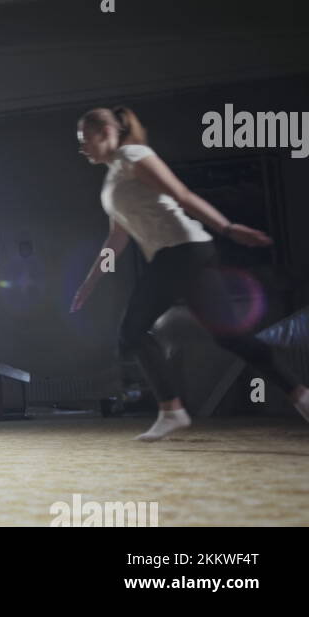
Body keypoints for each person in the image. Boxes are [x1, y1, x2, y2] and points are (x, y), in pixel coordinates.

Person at [69, 106, 309, 441]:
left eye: (85, 139)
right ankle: (302, 396)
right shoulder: (111, 179)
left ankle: (172, 410)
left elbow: (180, 194)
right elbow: (117, 237)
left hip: (181, 251)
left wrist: (227, 226)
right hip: (186, 253)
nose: (81, 148)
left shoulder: (134, 155)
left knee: (132, 332)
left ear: (106, 132)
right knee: (230, 337)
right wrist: (91, 281)